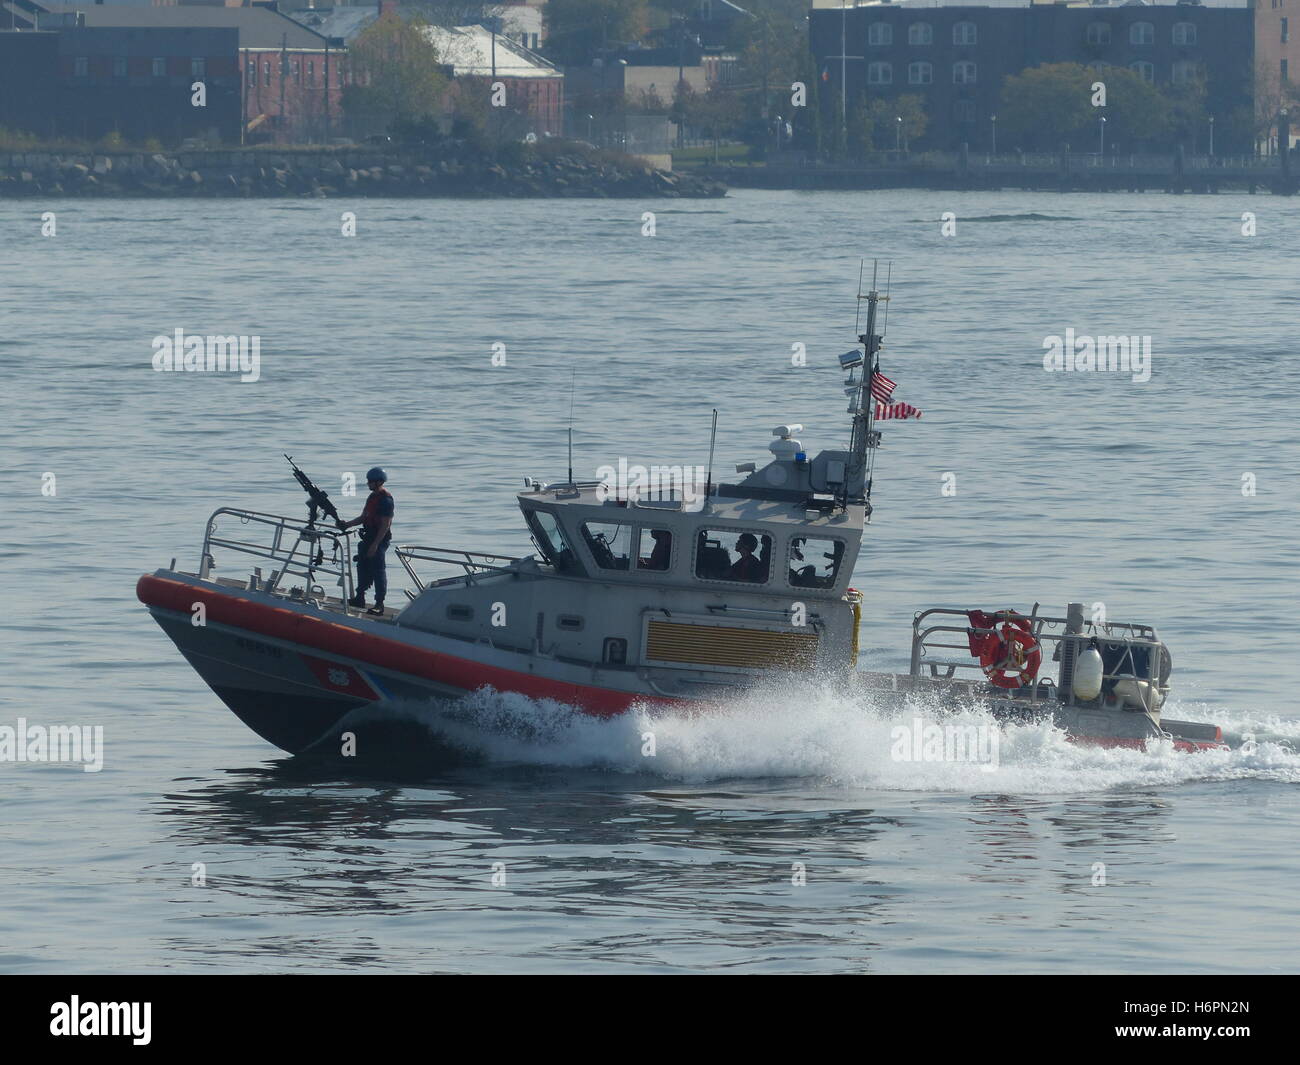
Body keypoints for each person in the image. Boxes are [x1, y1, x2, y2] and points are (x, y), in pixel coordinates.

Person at [338, 467, 394, 615]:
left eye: (371, 481)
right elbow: (364, 516)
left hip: (378, 540)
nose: (368, 483)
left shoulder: (386, 500)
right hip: (368, 538)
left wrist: (375, 545)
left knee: (378, 570)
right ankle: (359, 597)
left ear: (379, 482)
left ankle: (379, 604)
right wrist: (347, 524)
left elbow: (385, 525)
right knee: (362, 567)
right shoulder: (372, 497)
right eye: (368, 481)